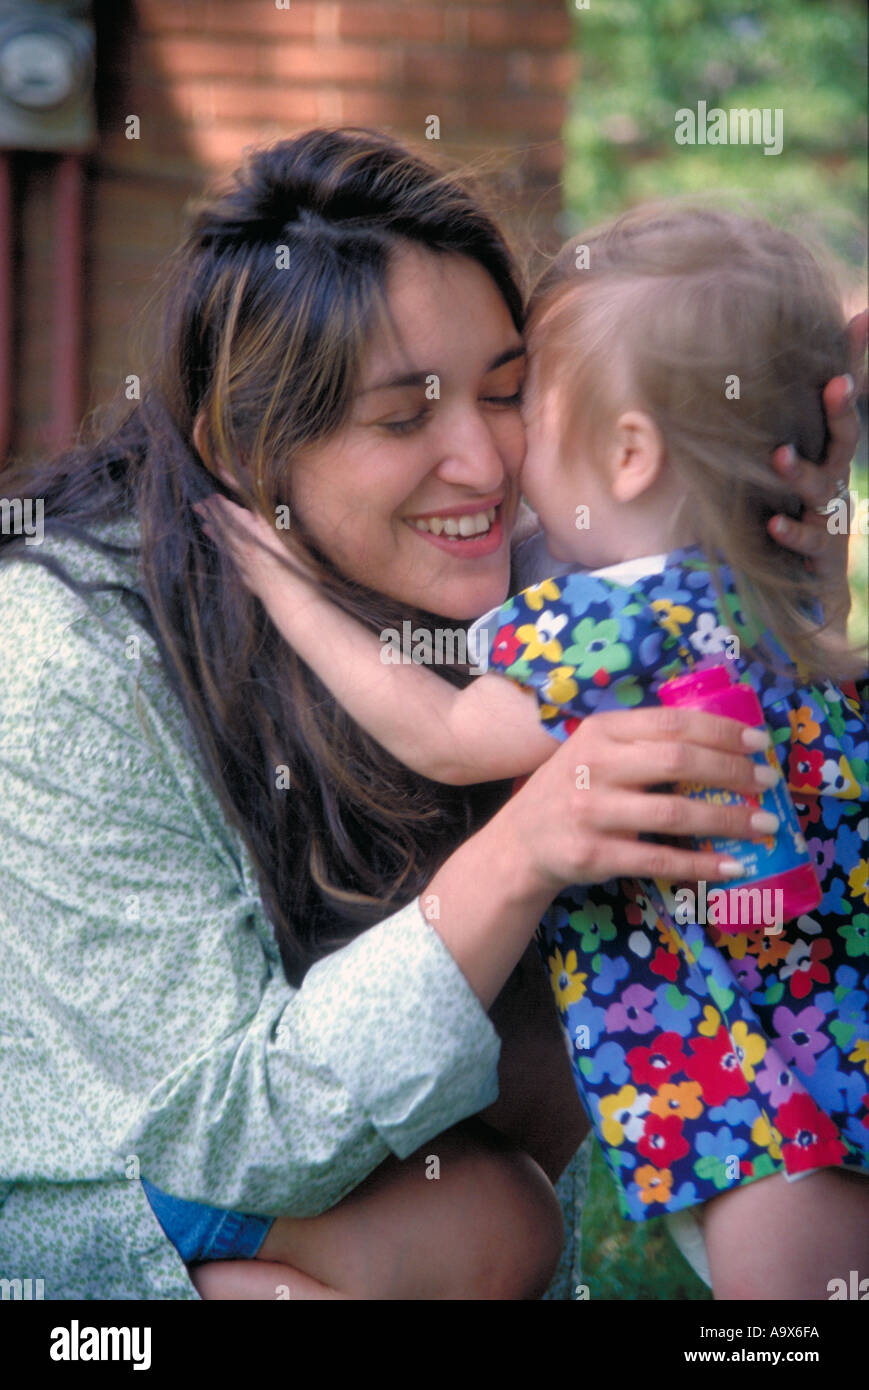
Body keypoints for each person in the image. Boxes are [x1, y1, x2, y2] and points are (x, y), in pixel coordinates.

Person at [0, 131, 861, 1301]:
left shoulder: (542, 558)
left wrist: (770, 509)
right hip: (108, 1200)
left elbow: (727, 653)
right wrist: (521, 849)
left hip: (420, 1177)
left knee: (492, 1210)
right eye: (405, 418)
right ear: (249, 450)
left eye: (510, 392)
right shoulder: (62, 656)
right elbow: (220, 1137)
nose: (484, 462)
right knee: (453, 1231)